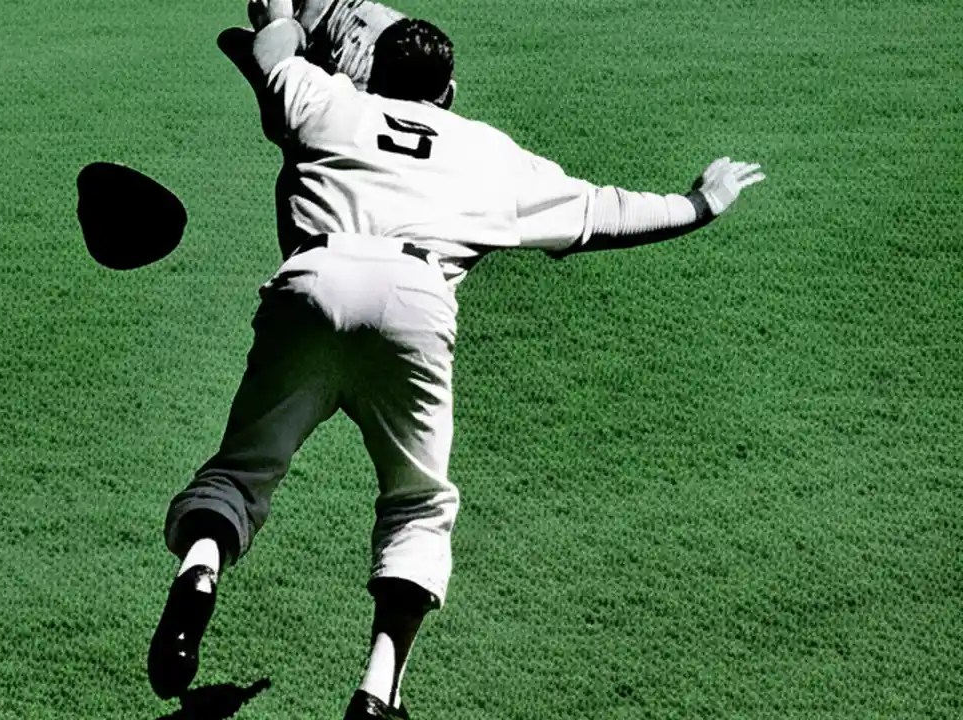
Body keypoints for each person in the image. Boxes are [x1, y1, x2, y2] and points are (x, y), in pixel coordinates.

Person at [149, 2, 766, 718]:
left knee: (241, 471)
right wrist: (701, 202)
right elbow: (605, 213)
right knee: (417, 503)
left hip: (313, 283)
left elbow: (272, 52)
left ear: (372, 71)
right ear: (447, 89)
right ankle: (379, 689)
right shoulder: (487, 153)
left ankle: (201, 569)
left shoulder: (330, 102)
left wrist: (282, 11)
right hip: (414, 301)